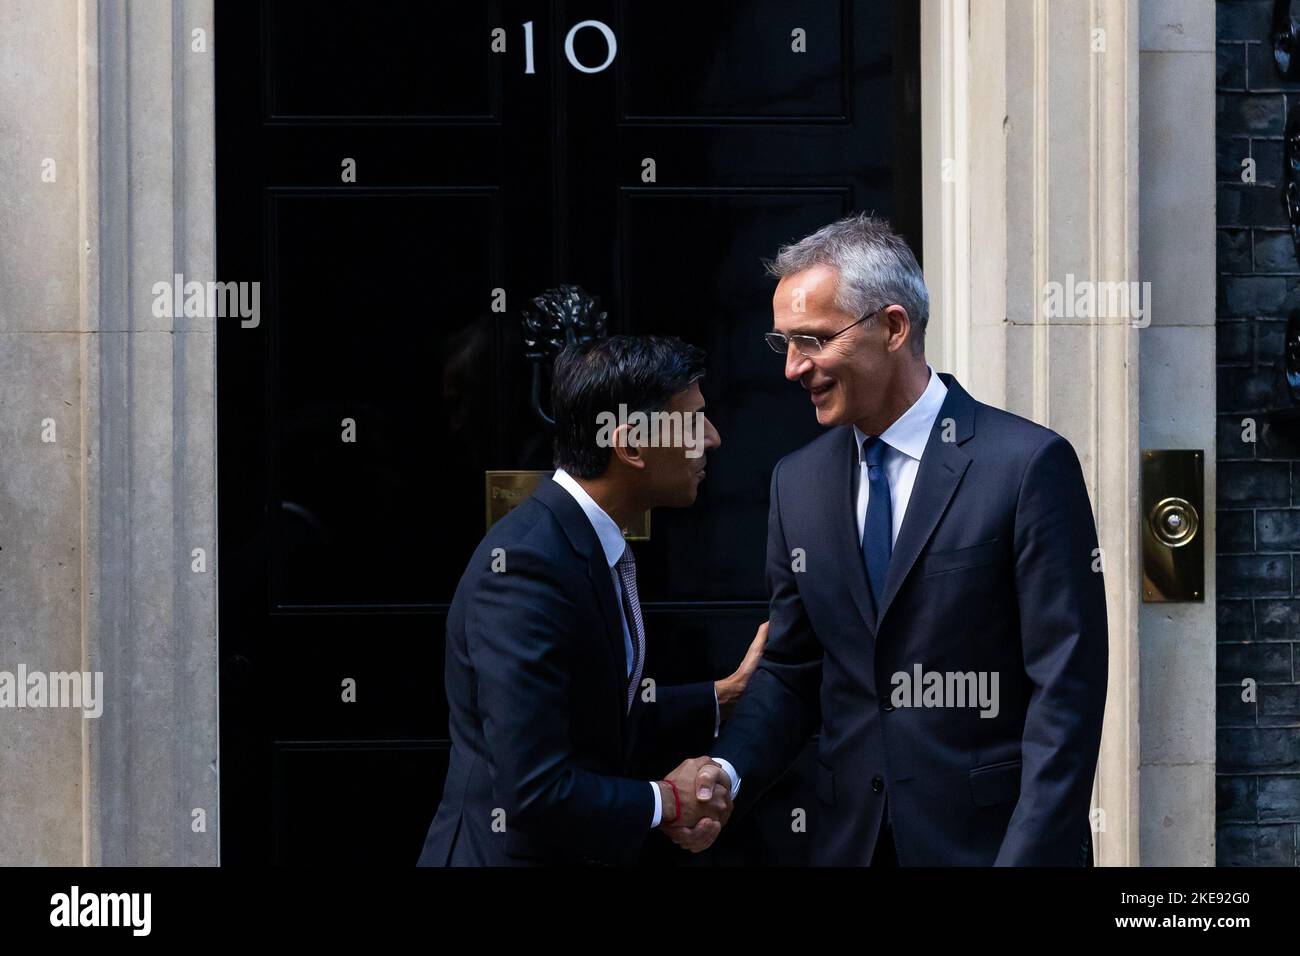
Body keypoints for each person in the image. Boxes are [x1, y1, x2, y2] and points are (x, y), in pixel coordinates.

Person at [687, 213, 1108, 865]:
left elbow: (1067, 692)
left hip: (991, 848)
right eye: (784, 344)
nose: (793, 368)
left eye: (814, 340)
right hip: (849, 844)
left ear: (892, 327)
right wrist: (729, 771)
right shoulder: (795, 484)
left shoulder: (1026, 466)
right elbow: (795, 670)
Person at [417, 334, 765, 865]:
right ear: (630, 446)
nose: (713, 439)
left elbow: (593, 715)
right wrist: (667, 800)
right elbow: (535, 789)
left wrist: (722, 695)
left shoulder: (581, 541)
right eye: (693, 422)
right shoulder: (528, 568)